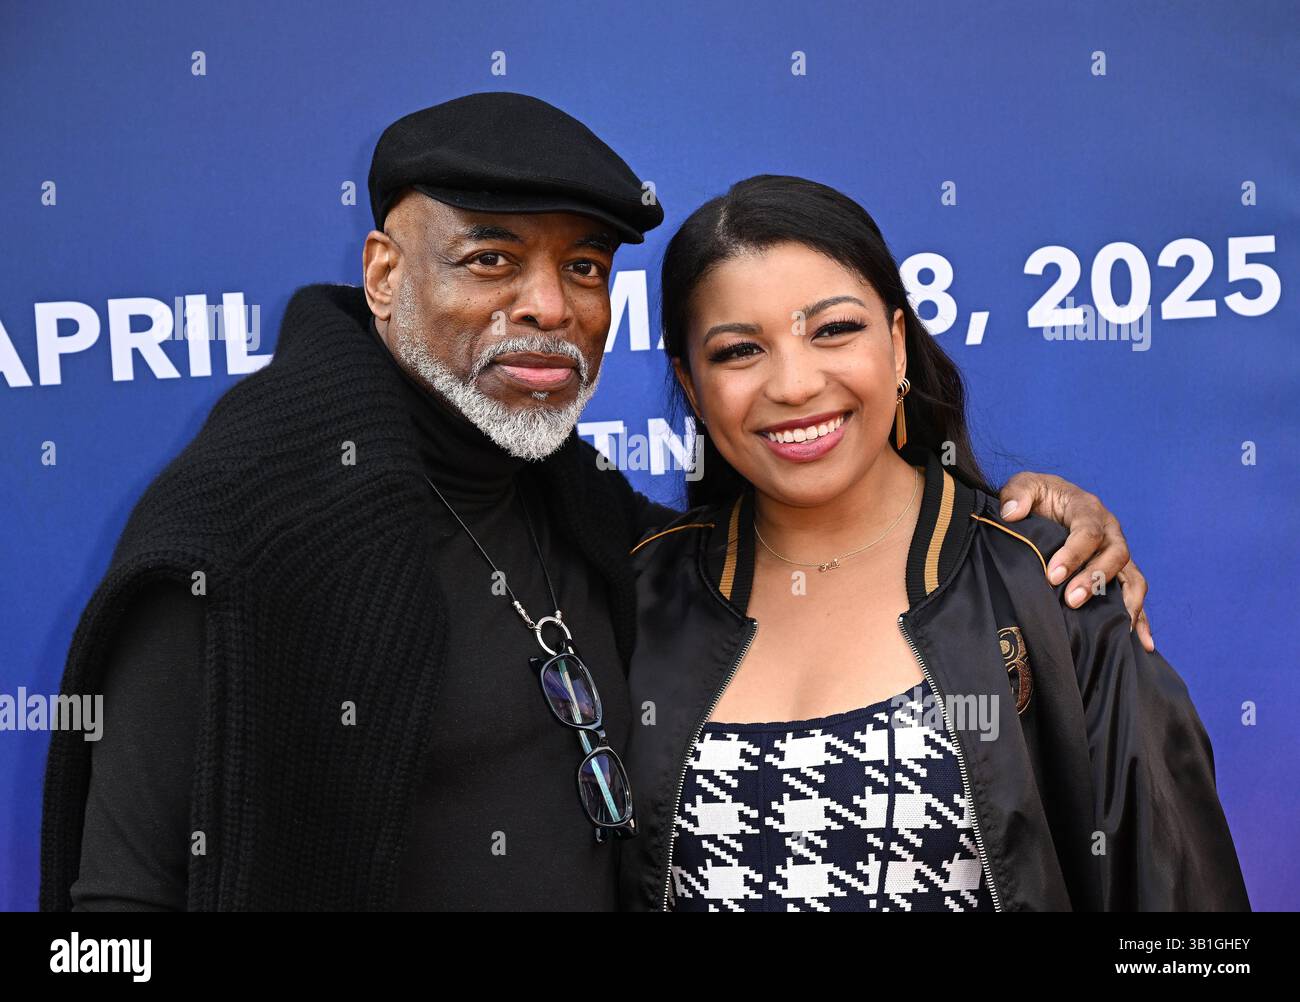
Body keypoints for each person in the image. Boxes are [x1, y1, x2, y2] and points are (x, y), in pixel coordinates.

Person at [41, 94, 1148, 912]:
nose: (547, 306)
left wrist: (1028, 523)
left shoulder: (601, 527)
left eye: (582, 267)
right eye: (488, 259)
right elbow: (115, 916)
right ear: (384, 275)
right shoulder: (243, 534)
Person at [619, 174, 1250, 912]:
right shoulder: (632, 598)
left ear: (896, 345)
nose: (792, 384)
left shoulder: (1050, 584)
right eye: (738, 351)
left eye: (833, 330)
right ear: (691, 387)